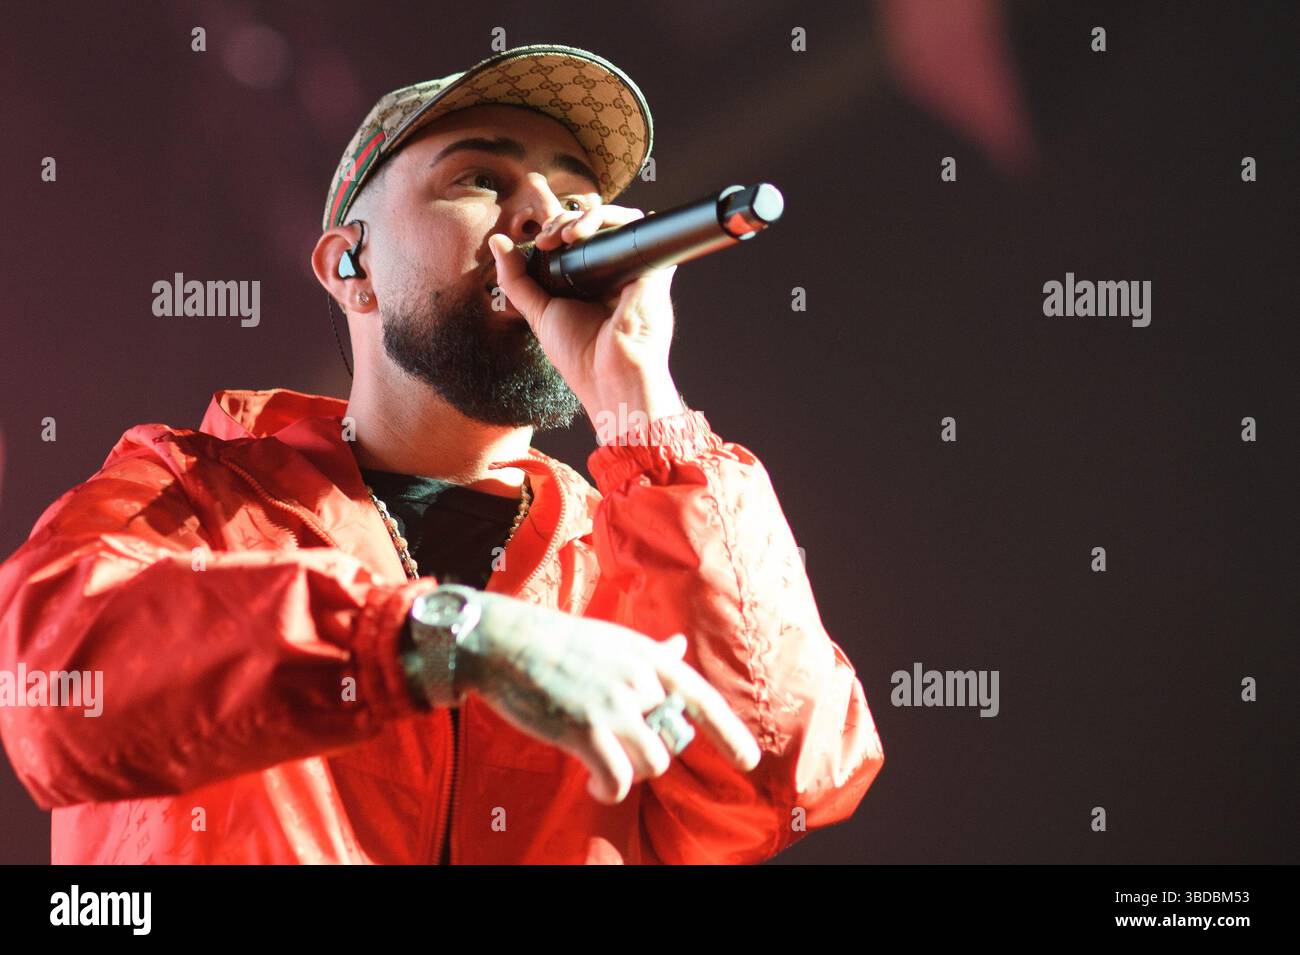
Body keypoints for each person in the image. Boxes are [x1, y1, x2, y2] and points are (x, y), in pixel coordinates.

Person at [0, 44, 884, 864]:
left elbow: (781, 778)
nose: (545, 213)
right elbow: (50, 691)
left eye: (576, 196)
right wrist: (446, 639)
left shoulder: (633, 560)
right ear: (353, 263)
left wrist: (637, 393)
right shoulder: (190, 498)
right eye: (481, 177)